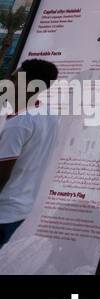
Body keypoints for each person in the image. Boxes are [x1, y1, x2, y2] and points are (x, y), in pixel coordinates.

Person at [0, 59, 60, 247]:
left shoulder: (18, 123)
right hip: (20, 208)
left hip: (4, 209)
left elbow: (2, 173)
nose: (9, 81)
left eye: (14, 77)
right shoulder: (48, 114)